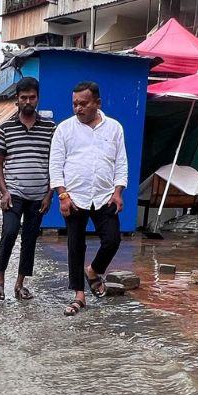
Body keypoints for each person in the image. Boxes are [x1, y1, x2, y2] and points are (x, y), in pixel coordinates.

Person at [50, 81, 127, 317]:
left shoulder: (114, 128)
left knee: (112, 240)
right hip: (74, 196)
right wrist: (62, 195)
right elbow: (55, 165)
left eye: (83, 104)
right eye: (74, 103)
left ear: (97, 103)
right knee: (76, 245)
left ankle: (93, 271)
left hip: (105, 196)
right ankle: (79, 295)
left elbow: (120, 163)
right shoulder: (64, 129)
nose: (77, 108)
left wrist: (118, 192)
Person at [0, 77, 56, 301]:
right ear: (17, 100)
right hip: (14, 193)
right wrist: (4, 191)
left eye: (32, 97)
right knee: (9, 232)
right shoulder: (6, 128)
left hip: (39, 196)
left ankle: (20, 284)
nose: (28, 101)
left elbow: (56, 163)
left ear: (37, 98)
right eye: (23, 98)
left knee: (29, 239)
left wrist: (50, 195)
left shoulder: (50, 128)